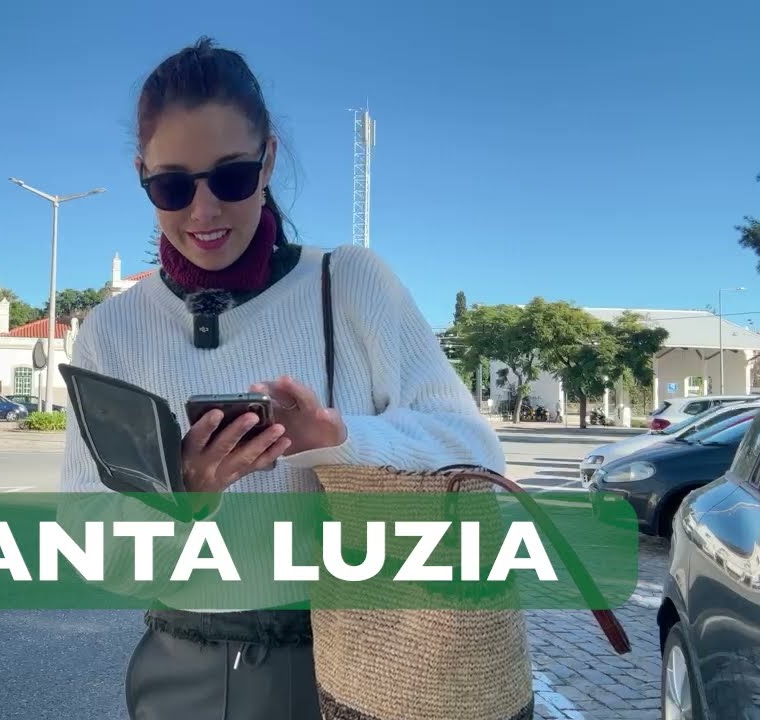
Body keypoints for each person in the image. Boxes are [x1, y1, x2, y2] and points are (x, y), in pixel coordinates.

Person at [59, 37, 507, 719]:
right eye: (172, 186)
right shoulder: (110, 333)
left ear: (268, 158)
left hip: (358, 667)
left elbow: (478, 456)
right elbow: (91, 550)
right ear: (142, 177)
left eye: (231, 177)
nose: (203, 212)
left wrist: (339, 436)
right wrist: (185, 496)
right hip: (180, 671)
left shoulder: (352, 284)